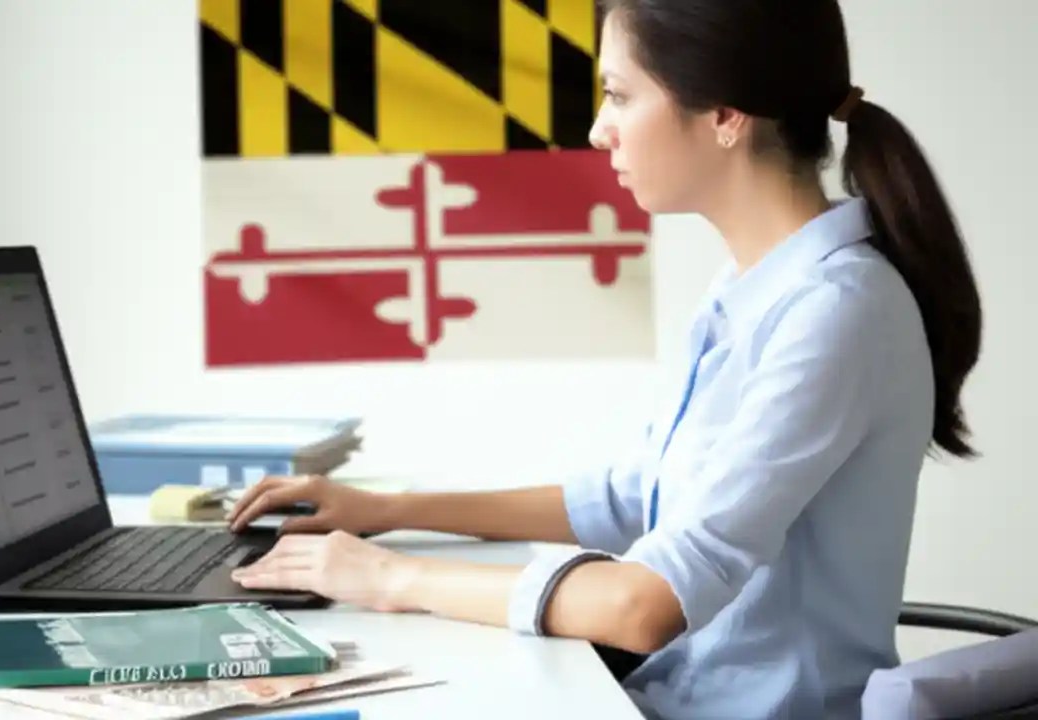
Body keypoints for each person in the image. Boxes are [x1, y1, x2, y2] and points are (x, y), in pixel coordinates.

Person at [225, 0, 983, 717]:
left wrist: (390, 577)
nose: (598, 131)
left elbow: (642, 606)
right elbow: (631, 498)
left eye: (619, 96)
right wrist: (387, 512)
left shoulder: (838, 312)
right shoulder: (752, 289)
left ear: (724, 115)